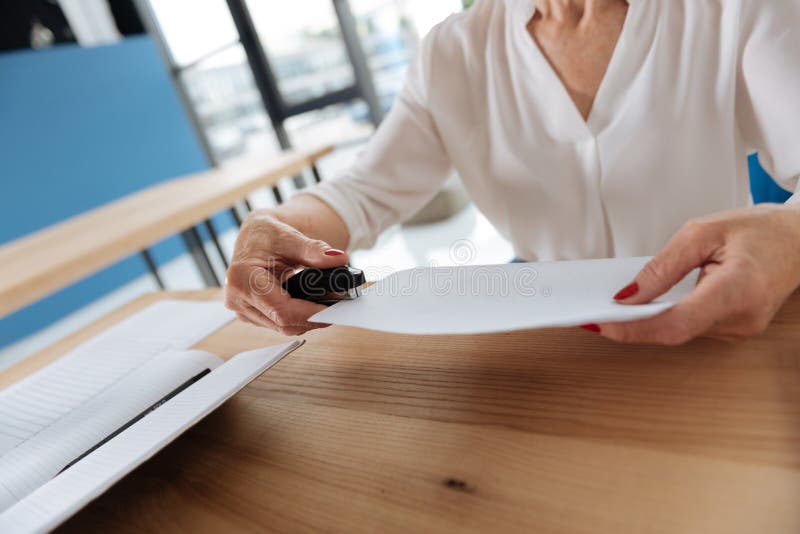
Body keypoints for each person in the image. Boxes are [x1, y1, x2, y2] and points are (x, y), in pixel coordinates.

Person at [224, 0, 800, 345]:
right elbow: (365, 192)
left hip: (717, 325)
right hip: (547, 348)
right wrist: (272, 224)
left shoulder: (736, 11)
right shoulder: (454, 50)